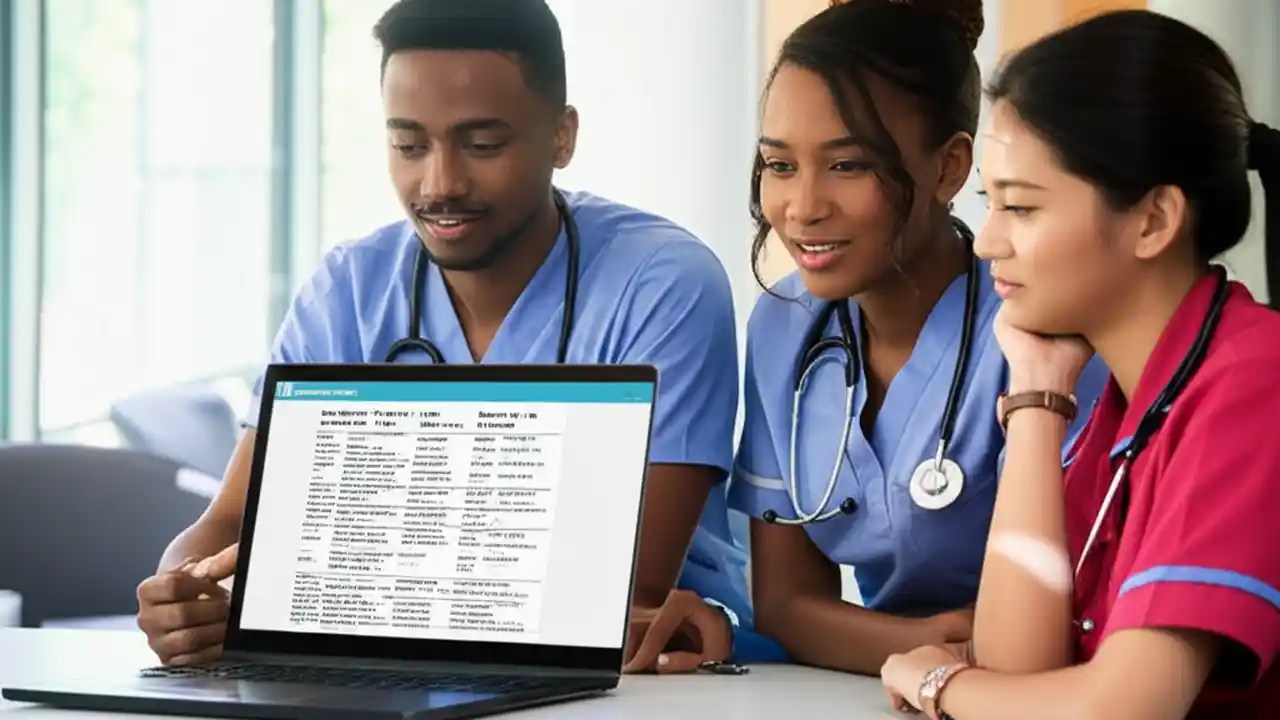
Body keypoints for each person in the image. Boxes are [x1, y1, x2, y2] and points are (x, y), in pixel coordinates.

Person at [134, 0, 759, 674]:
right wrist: (180, 593)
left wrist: (302, 606)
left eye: (482, 145)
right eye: (408, 145)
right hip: (379, 673)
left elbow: (620, 591)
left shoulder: (662, 284)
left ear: (562, 136)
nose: (438, 184)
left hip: (653, 677)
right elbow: (231, 525)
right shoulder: (349, 288)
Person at [881, 9, 1280, 719]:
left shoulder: (1254, 381)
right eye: (989, 204)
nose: (987, 243)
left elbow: (1121, 710)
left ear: (1154, 220)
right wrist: (1037, 396)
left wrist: (936, 683)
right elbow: (1020, 667)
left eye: (1022, 208)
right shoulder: (1129, 403)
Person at [725, 0, 1108, 676]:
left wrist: (935, 652)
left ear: (950, 168)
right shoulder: (783, 326)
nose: (803, 207)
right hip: (892, 686)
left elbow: (1077, 613)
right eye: (779, 165)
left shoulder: (1045, 331)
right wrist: (929, 644)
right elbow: (784, 601)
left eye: (848, 166)